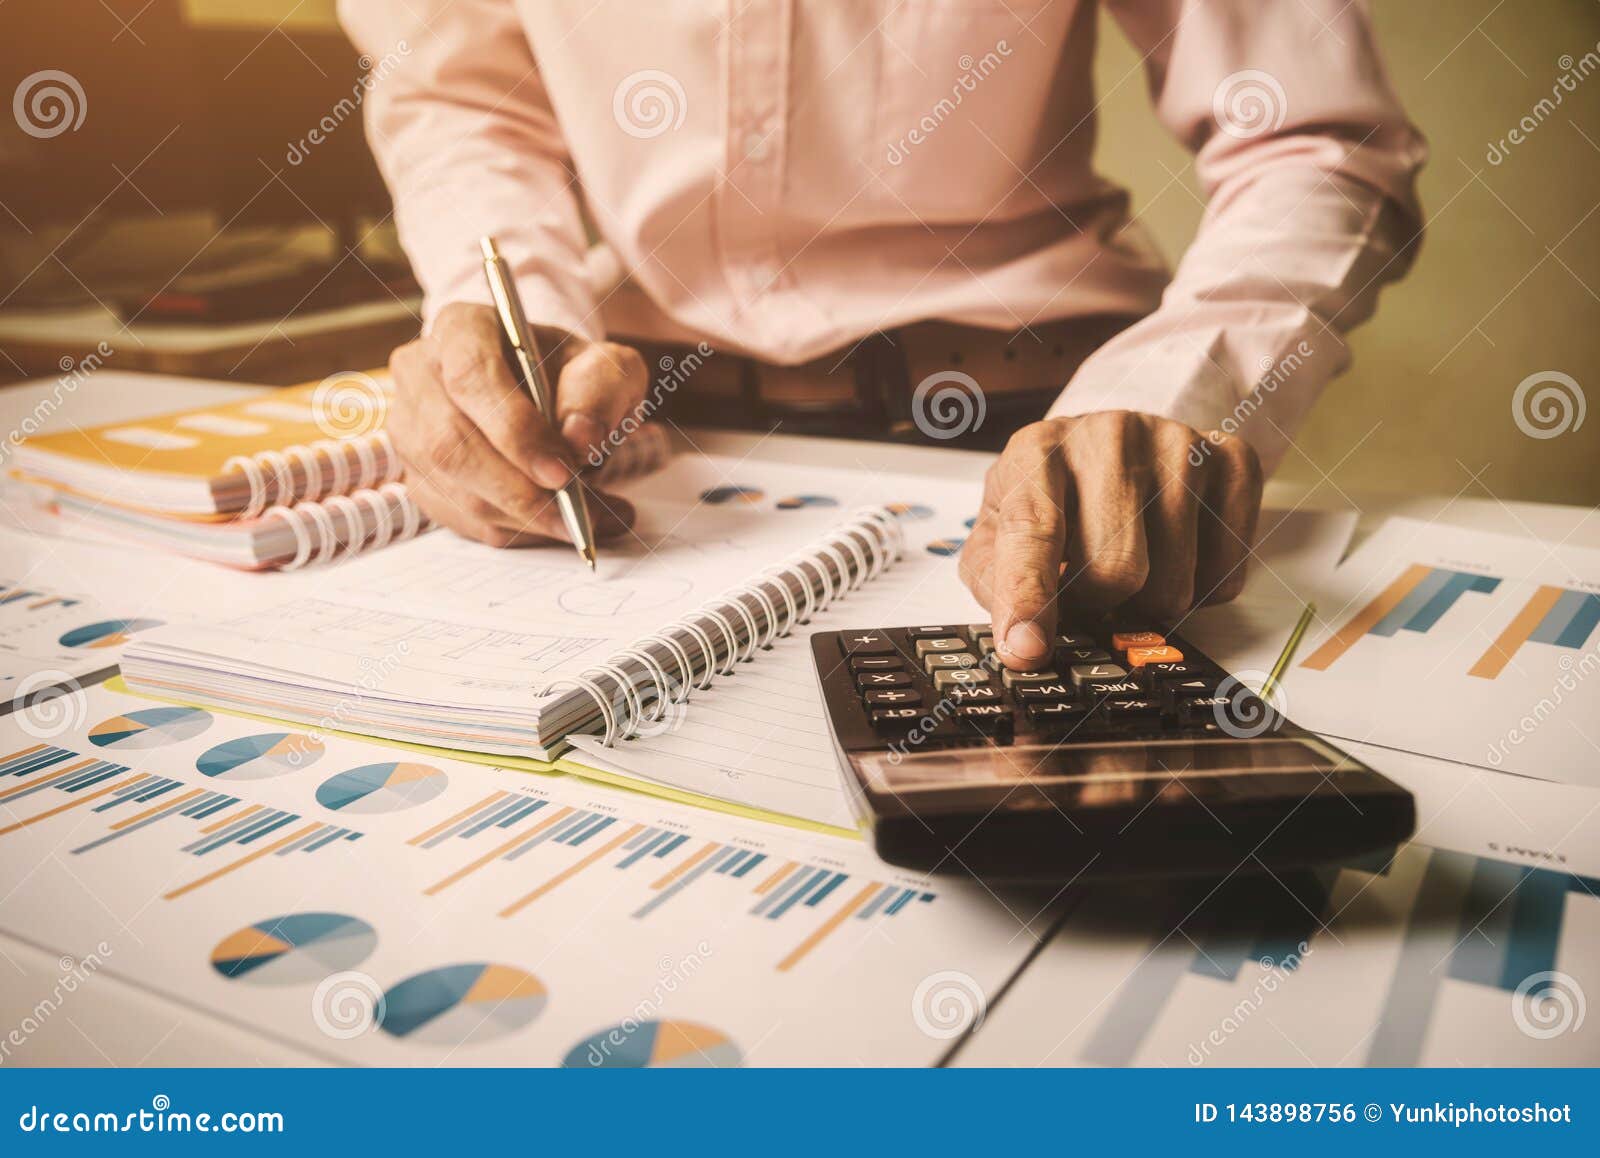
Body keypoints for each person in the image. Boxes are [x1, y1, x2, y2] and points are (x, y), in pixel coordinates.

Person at [341, 0, 1424, 671]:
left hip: (1044, 445)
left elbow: (1308, 133)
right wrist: (518, 317)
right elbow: (459, 99)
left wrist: (1173, 390)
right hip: (638, 446)